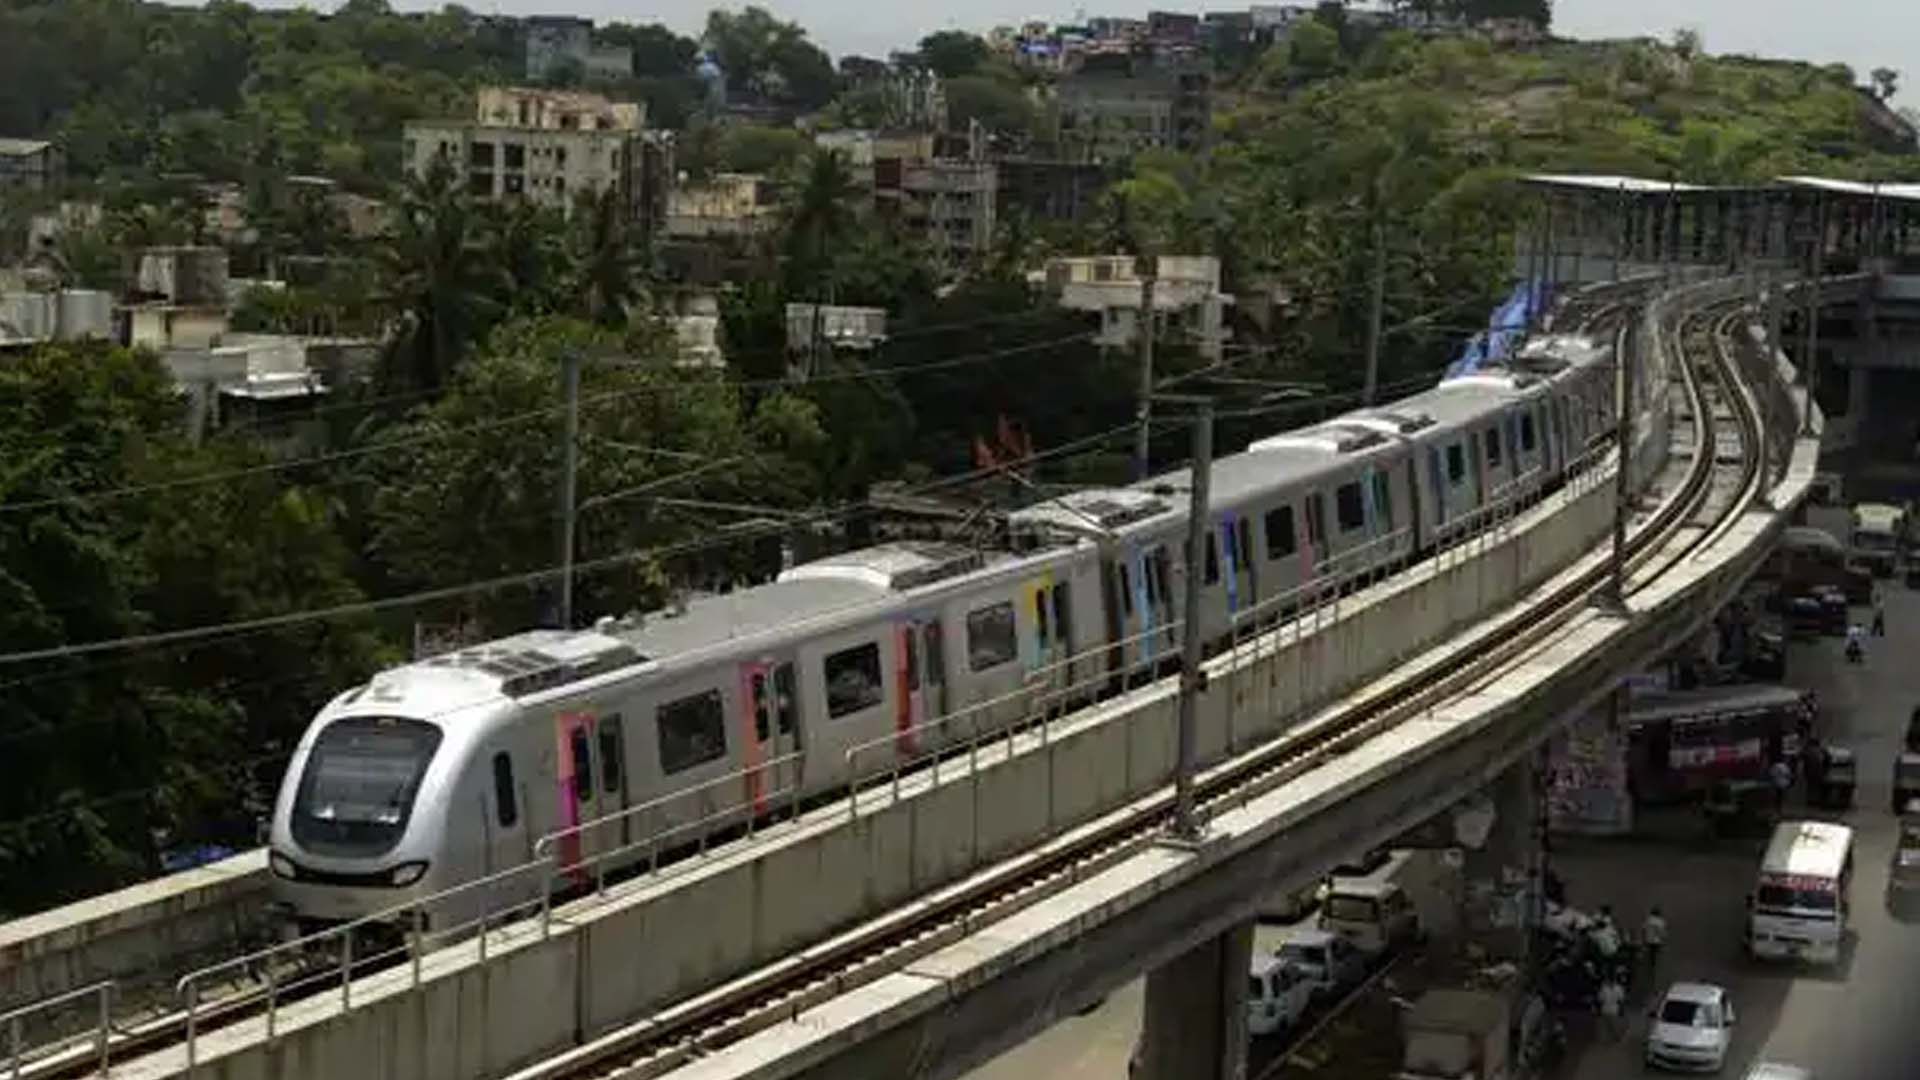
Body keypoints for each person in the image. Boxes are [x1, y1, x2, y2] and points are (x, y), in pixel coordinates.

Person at [1642, 906, 1667, 976]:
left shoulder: (1647, 920)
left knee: (1650, 956)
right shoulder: (1660, 921)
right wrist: (1664, 939)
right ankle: (1655, 970)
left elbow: (1643, 930)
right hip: (1657, 942)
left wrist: (1644, 940)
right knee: (1657, 957)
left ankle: (1649, 968)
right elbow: (1662, 932)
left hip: (1648, 941)